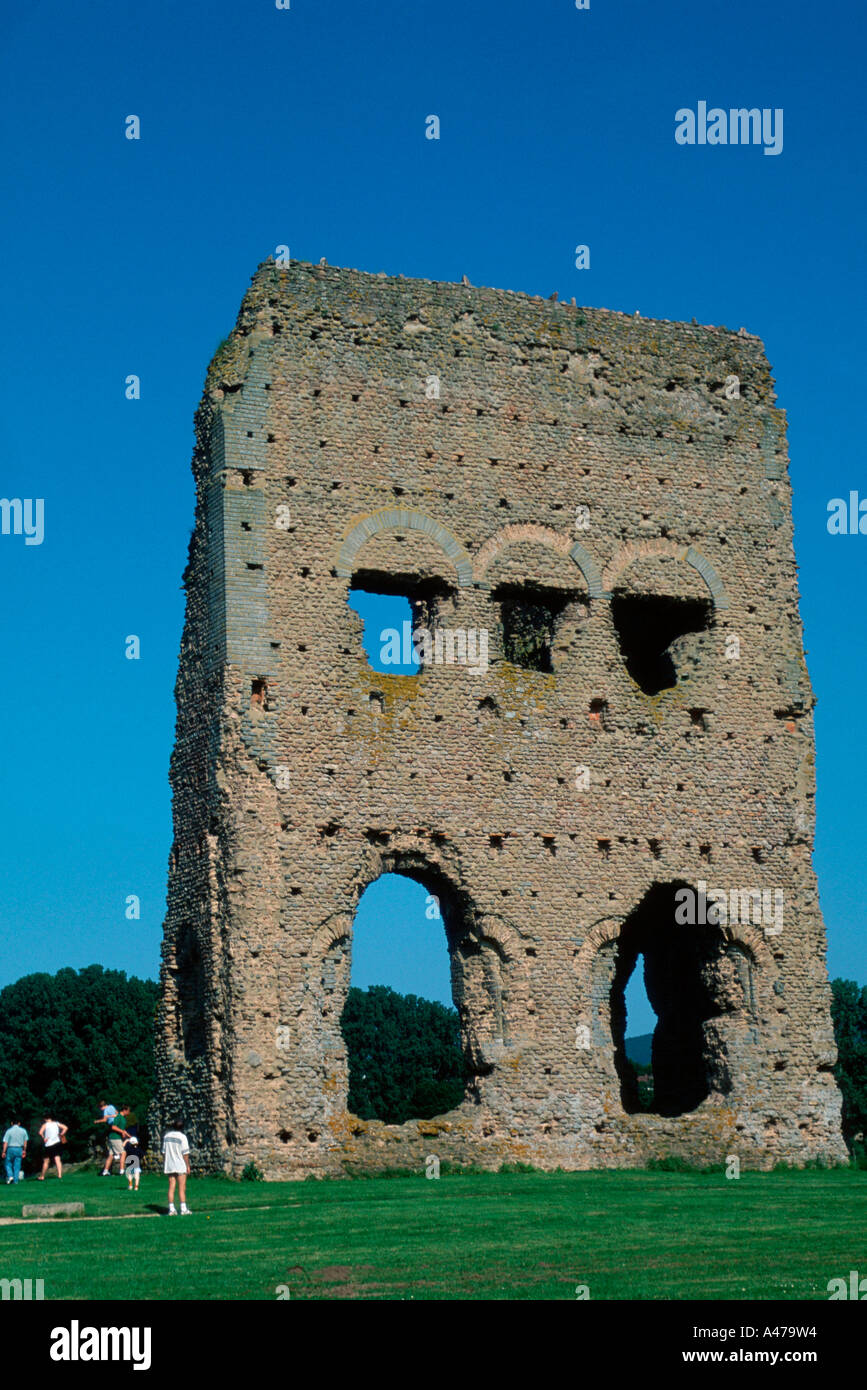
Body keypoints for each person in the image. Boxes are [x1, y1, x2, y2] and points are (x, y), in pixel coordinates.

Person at [162, 1120, 191, 1215]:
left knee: (171, 1186)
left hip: (170, 1164)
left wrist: (166, 1161)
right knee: (182, 1187)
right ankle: (183, 1209)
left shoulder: (166, 1136)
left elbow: (164, 1152)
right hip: (180, 1164)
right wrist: (187, 1165)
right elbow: (185, 1153)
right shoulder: (183, 1137)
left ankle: (171, 1209)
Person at [38, 1114, 68, 1180]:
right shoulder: (56, 1123)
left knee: (46, 1161)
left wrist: (44, 1138)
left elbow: (40, 1132)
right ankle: (59, 1175)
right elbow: (65, 1127)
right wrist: (61, 1134)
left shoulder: (45, 1125)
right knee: (57, 1159)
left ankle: (42, 1176)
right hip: (57, 1143)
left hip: (48, 1144)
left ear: (45, 1119)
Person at [96, 1100, 120, 1176]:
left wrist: (98, 1121)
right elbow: (117, 1113)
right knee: (111, 1151)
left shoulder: (105, 1110)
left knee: (112, 1140)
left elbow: (105, 1119)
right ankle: (106, 1171)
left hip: (112, 1125)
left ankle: (117, 1153)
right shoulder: (111, 1106)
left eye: (100, 1108)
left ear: (101, 1107)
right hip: (117, 1123)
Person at [2, 1120, 28, 1184]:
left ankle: (10, 1175)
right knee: (17, 1165)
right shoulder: (23, 1131)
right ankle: (15, 1181)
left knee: (8, 1163)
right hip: (19, 1148)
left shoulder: (9, 1131)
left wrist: (3, 1151)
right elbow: (25, 1142)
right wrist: (24, 1150)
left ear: (11, 1123)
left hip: (10, 1148)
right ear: (19, 1123)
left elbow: (5, 1142)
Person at [124, 1126, 142, 1191]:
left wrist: (126, 1141)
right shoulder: (139, 1149)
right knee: (137, 1176)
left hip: (130, 1165)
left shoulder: (128, 1149)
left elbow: (123, 1147)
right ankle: (136, 1187)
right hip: (136, 1164)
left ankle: (130, 1185)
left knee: (130, 1175)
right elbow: (141, 1155)